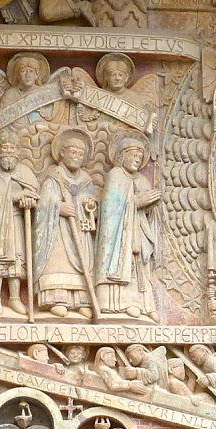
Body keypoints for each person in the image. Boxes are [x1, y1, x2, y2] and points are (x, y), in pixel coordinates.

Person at [33, 129, 101, 318]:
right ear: (62, 153)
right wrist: (58, 207)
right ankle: (57, 298)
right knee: (59, 259)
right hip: (58, 230)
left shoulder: (85, 180)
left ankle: (81, 300)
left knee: (83, 261)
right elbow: (44, 202)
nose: (76, 157)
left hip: (79, 228)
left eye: (80, 154)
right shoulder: (54, 177)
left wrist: (89, 204)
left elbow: (92, 200)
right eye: (72, 152)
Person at [95, 134, 161, 318]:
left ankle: (143, 305)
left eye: (140, 158)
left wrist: (149, 207)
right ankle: (117, 304)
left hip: (137, 232)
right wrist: (135, 202)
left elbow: (147, 213)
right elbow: (110, 207)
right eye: (133, 156)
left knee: (139, 267)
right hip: (118, 235)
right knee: (120, 265)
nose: (136, 161)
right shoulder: (116, 175)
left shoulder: (142, 180)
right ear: (121, 156)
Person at [0, 142, 38, 316]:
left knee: (17, 259)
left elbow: (34, 191)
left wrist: (29, 200)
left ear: (18, 150)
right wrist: (15, 196)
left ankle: (14, 298)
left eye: (12, 147)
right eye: (4, 147)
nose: (8, 151)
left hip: (17, 220)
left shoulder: (24, 172)